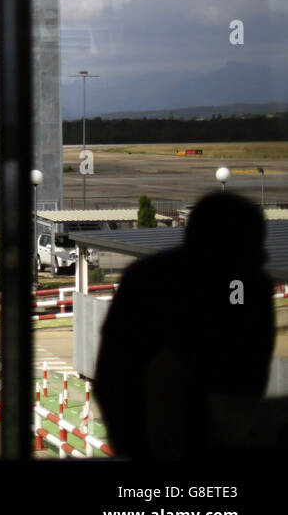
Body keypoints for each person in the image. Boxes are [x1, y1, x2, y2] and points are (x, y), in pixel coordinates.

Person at [94, 191, 274, 459]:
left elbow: (112, 379)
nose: (263, 258)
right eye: (252, 249)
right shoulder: (245, 287)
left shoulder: (146, 280)